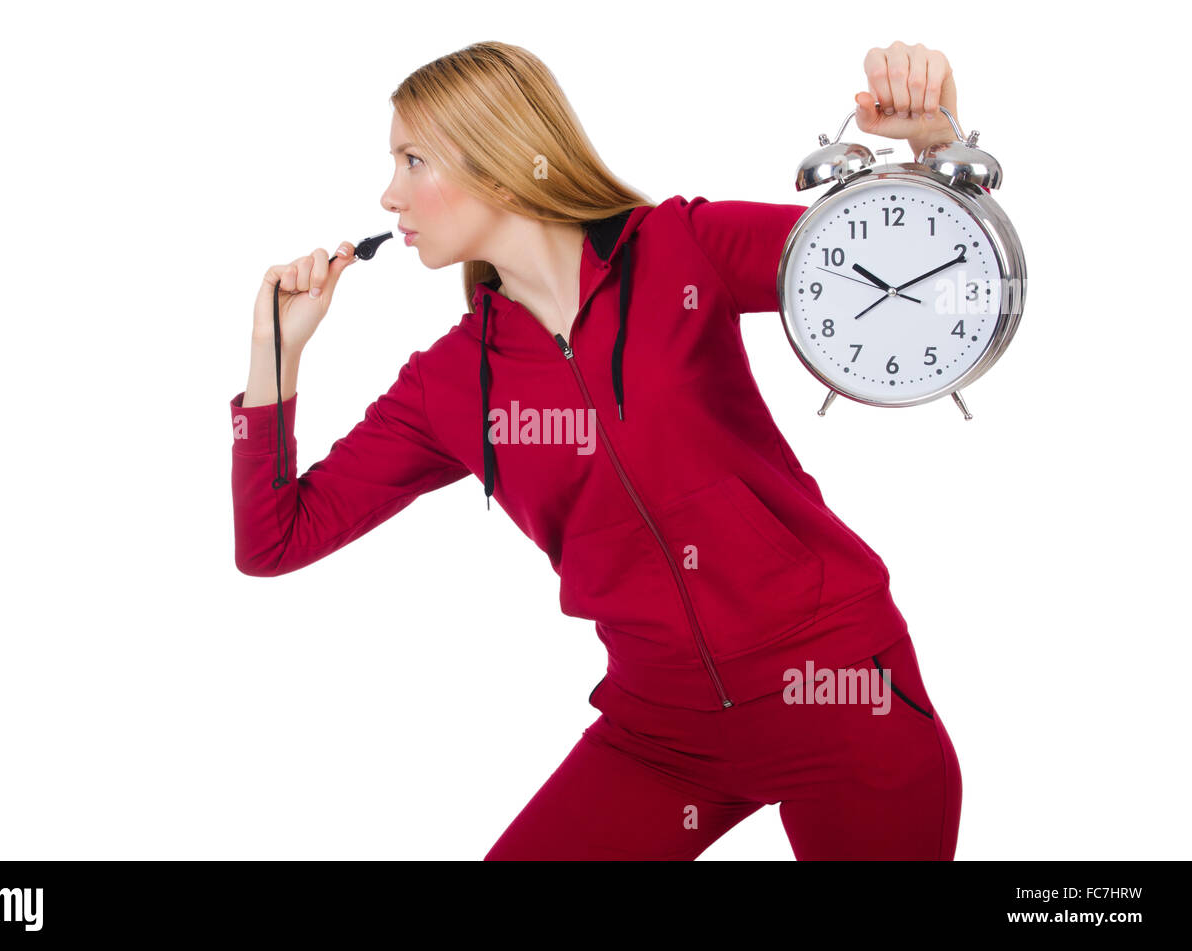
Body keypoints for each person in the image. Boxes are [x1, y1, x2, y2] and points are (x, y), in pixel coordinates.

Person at [230, 40, 963, 860]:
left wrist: (938, 148)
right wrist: (277, 355)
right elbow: (273, 540)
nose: (388, 192)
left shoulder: (682, 247)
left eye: (413, 159)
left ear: (501, 164)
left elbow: (919, 282)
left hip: (838, 694)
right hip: (662, 735)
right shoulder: (448, 385)